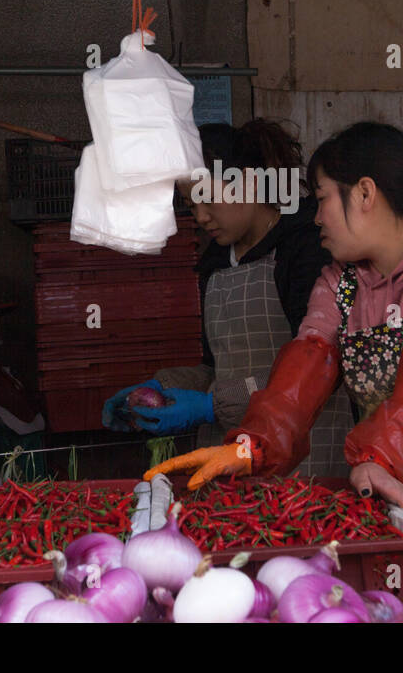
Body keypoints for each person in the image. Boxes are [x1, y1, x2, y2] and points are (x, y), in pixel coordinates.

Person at [147, 122, 403, 609]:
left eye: (323, 198)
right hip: (389, 507)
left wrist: (384, 458)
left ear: (366, 193)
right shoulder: (342, 280)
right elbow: (308, 361)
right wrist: (253, 443)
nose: (315, 217)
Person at [102, 119, 354, 478]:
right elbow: (215, 369)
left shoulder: (305, 249)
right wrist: (164, 386)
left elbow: (324, 368)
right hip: (231, 452)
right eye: (191, 205)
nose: (201, 217)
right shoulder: (216, 266)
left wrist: (210, 405)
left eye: (208, 199)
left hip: (307, 455)